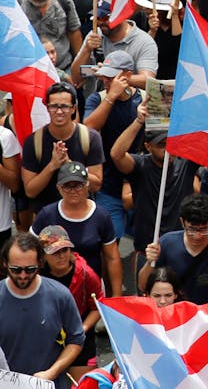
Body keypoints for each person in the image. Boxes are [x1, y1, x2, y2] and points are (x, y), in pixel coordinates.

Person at [0, 232, 86, 388]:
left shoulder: (60, 295)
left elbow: (76, 340)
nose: (23, 276)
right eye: (16, 269)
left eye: (30, 269)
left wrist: (52, 372)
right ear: (5, 263)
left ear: (40, 263)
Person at [139, 193, 208, 312]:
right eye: (192, 229)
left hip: (207, 321)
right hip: (171, 318)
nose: (197, 236)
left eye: (204, 229)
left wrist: (197, 318)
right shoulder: (166, 244)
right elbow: (143, 286)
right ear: (182, 222)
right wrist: (149, 262)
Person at [31, 162, 121, 297]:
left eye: (78, 185)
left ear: (87, 185)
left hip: (89, 289)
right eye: (67, 186)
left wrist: (117, 296)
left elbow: (112, 258)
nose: (73, 191)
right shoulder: (46, 214)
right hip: (52, 288)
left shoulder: (101, 216)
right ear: (59, 188)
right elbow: (30, 251)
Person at [22, 82, 106, 210]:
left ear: (73, 108)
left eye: (64, 106)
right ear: (47, 108)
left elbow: (96, 185)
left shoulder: (90, 138)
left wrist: (70, 165)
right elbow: (30, 190)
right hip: (46, 216)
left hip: (82, 215)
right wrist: (52, 166)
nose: (59, 111)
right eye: (54, 106)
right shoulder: (33, 141)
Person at [36, 225, 101, 378]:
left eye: (65, 250)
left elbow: (98, 305)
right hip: (47, 337)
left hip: (79, 335)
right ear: (43, 256)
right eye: (55, 252)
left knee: (83, 385)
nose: (62, 256)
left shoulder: (86, 274)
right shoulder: (35, 274)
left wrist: (82, 328)